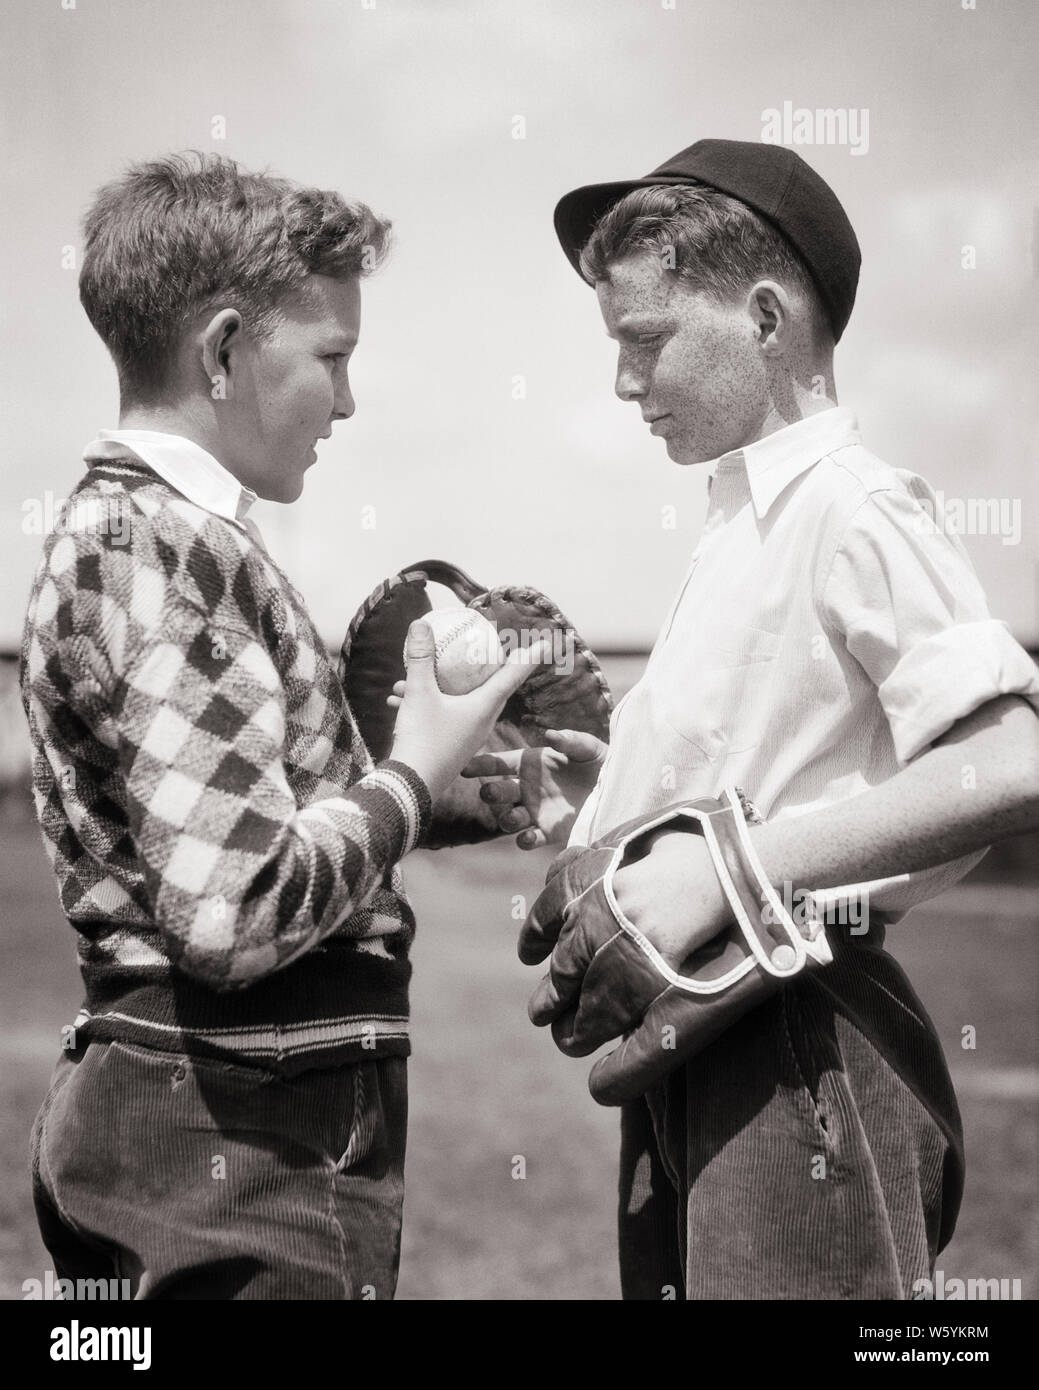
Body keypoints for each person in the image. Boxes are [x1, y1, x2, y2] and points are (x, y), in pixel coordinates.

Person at [468, 139, 1039, 1299]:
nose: (624, 383)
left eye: (645, 341)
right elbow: (766, 772)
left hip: (802, 1029)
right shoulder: (740, 524)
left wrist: (729, 873)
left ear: (768, 318)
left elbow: (1012, 761)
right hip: (698, 1033)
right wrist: (613, 810)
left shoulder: (851, 505)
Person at [21, 151, 536, 1300]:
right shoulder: (171, 549)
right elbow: (236, 912)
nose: (348, 404)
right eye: (333, 358)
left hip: (182, 1126)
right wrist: (410, 771)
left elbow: (232, 834)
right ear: (220, 349)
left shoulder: (137, 535)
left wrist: (440, 805)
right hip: (234, 1146)